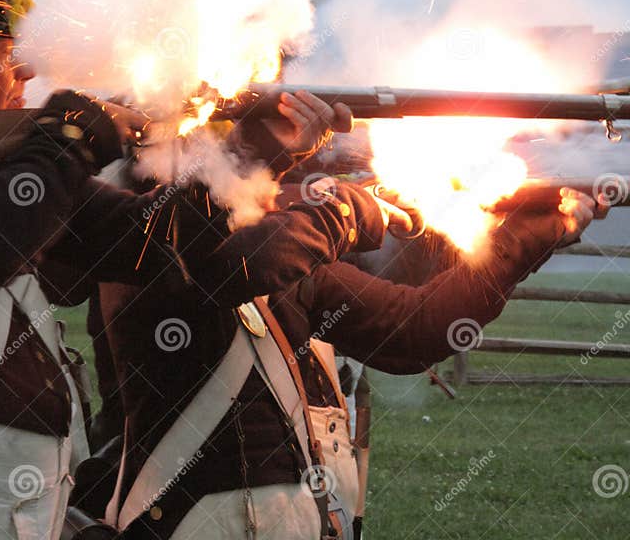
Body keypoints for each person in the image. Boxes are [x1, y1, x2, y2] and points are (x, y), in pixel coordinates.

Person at [0, 0, 390, 539]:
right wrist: (69, 138)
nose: (26, 71)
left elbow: (154, 239)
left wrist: (262, 148)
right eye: (7, 52)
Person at [96, 129, 597, 539]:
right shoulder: (147, 262)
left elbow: (413, 330)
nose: (275, 179)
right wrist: (345, 212)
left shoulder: (286, 266)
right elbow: (226, 265)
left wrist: (527, 236)